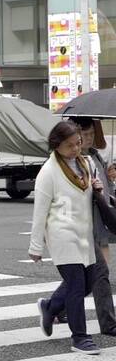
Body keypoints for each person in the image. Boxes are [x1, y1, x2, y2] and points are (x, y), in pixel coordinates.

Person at [29, 121, 109, 355]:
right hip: (61, 234)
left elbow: (89, 194)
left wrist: (97, 188)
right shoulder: (48, 172)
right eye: (70, 145)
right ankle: (80, 337)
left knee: (85, 283)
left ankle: (50, 306)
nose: (76, 149)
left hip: (84, 233)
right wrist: (35, 245)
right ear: (57, 146)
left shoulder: (86, 163)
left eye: (78, 143)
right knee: (76, 285)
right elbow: (40, 211)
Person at [68, 117, 116, 336]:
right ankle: (108, 322)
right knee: (99, 271)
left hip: (101, 218)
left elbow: (107, 188)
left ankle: (55, 306)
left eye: (90, 134)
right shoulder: (74, 160)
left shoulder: (95, 156)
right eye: (84, 135)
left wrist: (108, 180)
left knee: (91, 273)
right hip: (86, 221)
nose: (87, 139)